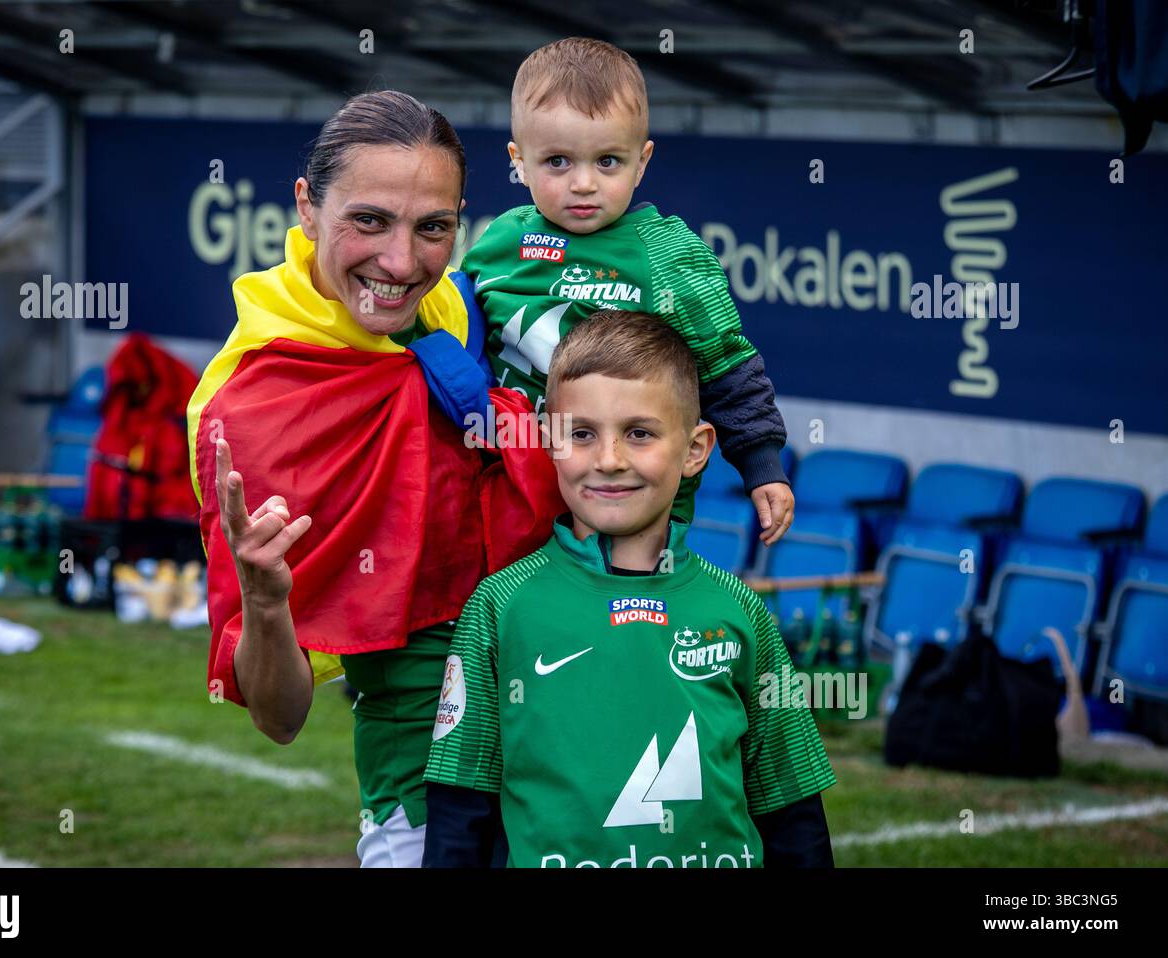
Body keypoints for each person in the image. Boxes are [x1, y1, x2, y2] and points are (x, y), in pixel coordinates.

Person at [186, 91, 561, 868]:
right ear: (306, 208)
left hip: (559, 761)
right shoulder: (249, 409)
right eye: (369, 220)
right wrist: (264, 601)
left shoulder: (450, 313)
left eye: (433, 228)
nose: (400, 263)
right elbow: (278, 716)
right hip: (421, 798)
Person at [423, 311, 835, 868]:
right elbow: (459, 810)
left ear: (695, 449)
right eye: (583, 434)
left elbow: (791, 808)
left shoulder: (738, 609)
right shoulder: (501, 607)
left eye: (639, 434)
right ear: (548, 440)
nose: (609, 461)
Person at [460, 37, 795, 539]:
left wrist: (761, 465)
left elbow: (728, 366)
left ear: (642, 161)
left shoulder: (670, 255)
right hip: (517, 495)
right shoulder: (498, 243)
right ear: (518, 160)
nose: (583, 183)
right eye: (557, 162)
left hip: (633, 518)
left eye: (608, 162)